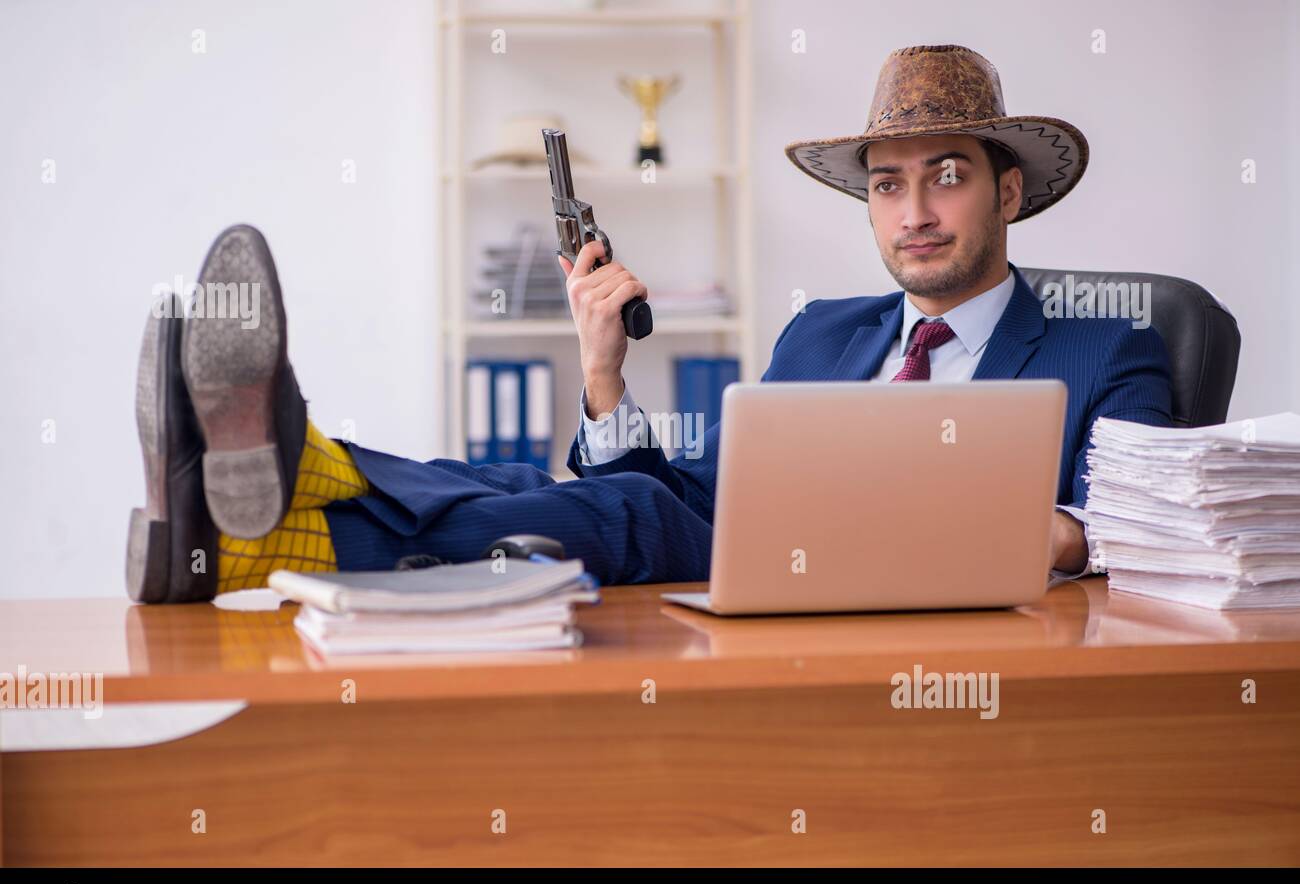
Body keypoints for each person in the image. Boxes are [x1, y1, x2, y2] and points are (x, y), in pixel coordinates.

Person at [127, 44, 1170, 603]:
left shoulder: (1108, 347)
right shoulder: (823, 337)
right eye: (888, 186)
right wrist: (603, 376)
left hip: (920, 608)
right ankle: (282, 487)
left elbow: (1148, 529)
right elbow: (697, 491)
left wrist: (1016, 534)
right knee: (528, 486)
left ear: (1009, 194)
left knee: (626, 519)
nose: (914, 213)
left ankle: (253, 529)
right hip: (763, 574)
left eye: (945, 178)